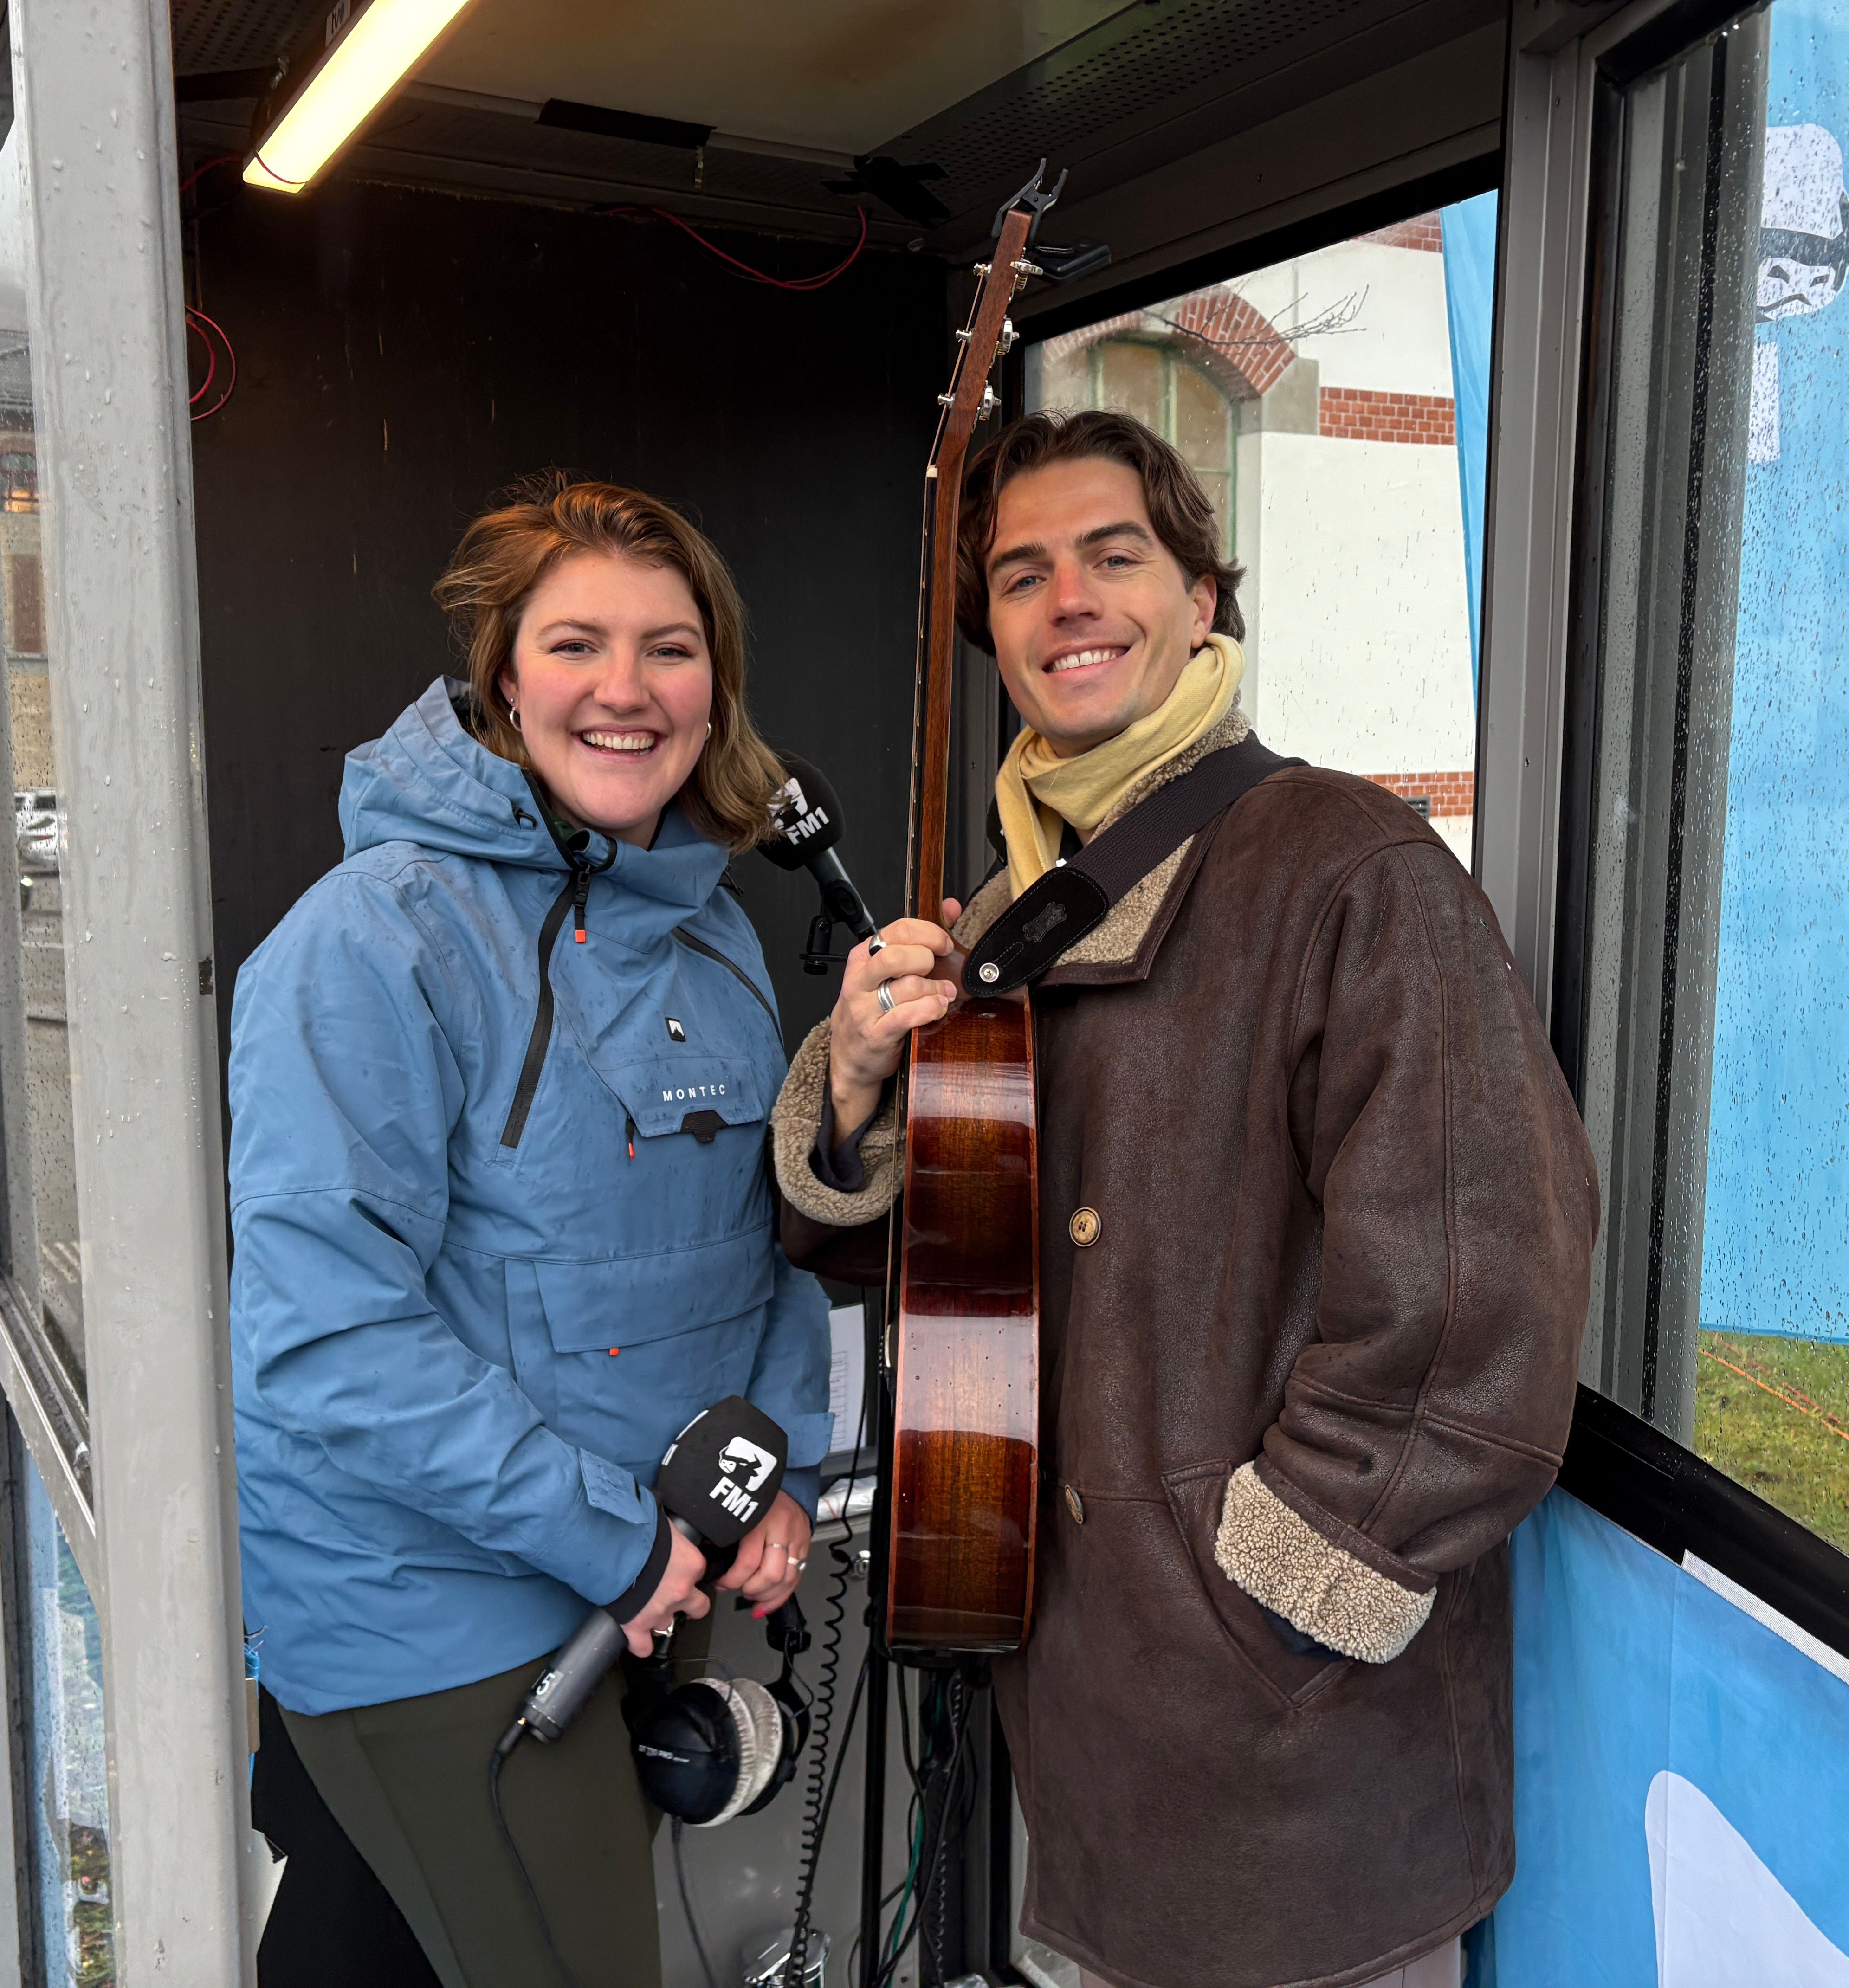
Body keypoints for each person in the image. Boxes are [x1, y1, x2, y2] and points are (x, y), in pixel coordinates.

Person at [772, 412, 1597, 1988]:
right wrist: (865, 1083)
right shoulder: (1010, 913)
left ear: (1202, 596)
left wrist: (1268, 1601)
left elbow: (1476, 1301)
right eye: (1024, 574)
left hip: (1301, 1786)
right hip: (1088, 1750)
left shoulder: (1348, 866)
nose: (1069, 600)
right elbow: (949, 1261)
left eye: (1116, 555)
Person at [227, 478, 832, 1988]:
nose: (626, 688)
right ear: (503, 679)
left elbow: (757, 1248)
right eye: (577, 644)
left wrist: (774, 1471)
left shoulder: (714, 933)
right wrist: (614, 1540)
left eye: (670, 648)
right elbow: (330, 1338)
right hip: (443, 1620)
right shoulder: (372, 940)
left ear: (715, 690)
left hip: (645, 1578)